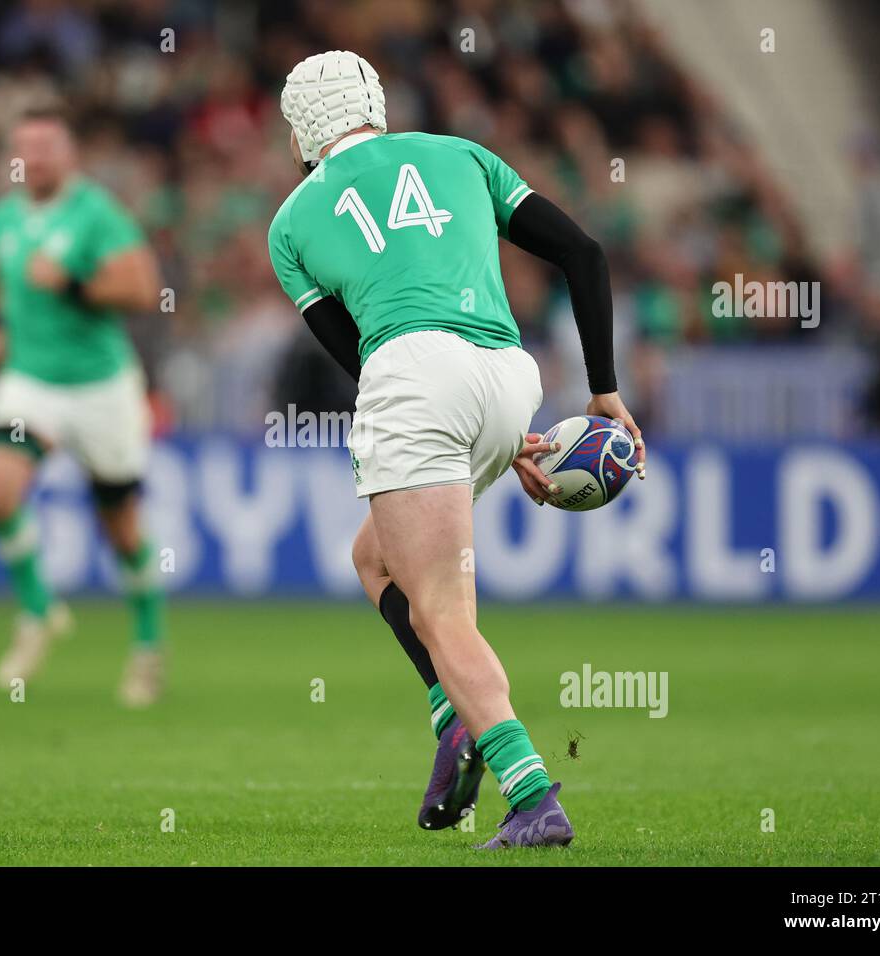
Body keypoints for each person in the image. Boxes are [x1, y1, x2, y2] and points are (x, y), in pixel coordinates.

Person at [267, 51, 646, 848]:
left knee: (440, 609)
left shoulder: (291, 223)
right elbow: (584, 254)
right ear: (376, 99)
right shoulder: (460, 154)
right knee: (374, 560)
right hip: (511, 375)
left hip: (411, 377)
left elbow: (368, 359)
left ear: (300, 130)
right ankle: (453, 717)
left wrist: (438, 413)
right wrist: (601, 390)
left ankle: (531, 791)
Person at [0, 105, 167, 705]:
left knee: (122, 530)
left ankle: (146, 648)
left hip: (100, 386)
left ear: (70, 154)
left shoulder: (96, 214)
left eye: (48, 146)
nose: (36, 157)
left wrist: (76, 283)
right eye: (25, 146)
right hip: (30, 379)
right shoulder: (1, 217)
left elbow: (142, 287)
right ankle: (38, 611)